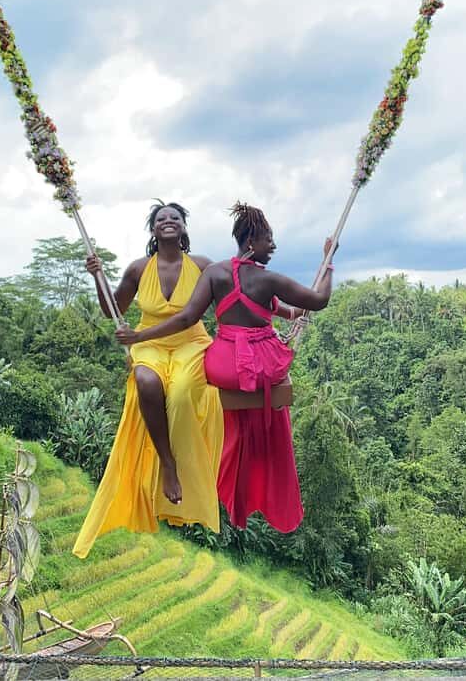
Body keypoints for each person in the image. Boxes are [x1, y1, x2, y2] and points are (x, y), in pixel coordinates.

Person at [116, 202, 335, 534]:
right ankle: (246, 465)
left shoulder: (215, 272)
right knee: (272, 395)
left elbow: (194, 315)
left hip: (221, 365)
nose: (273, 246)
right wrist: (327, 263)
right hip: (258, 367)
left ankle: (216, 461)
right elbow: (317, 300)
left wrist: (140, 334)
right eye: (268, 240)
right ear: (251, 243)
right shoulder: (269, 278)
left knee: (197, 395)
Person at [73, 201, 224, 559]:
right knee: (146, 380)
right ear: (153, 231)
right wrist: (98, 277)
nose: (168, 222)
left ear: (184, 228)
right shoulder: (140, 269)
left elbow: (233, 300)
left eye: (175, 218)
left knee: (184, 394)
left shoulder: (203, 266)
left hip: (192, 343)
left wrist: (278, 316)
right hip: (149, 344)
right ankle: (168, 466)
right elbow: (113, 310)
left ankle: (189, 476)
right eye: (161, 219)